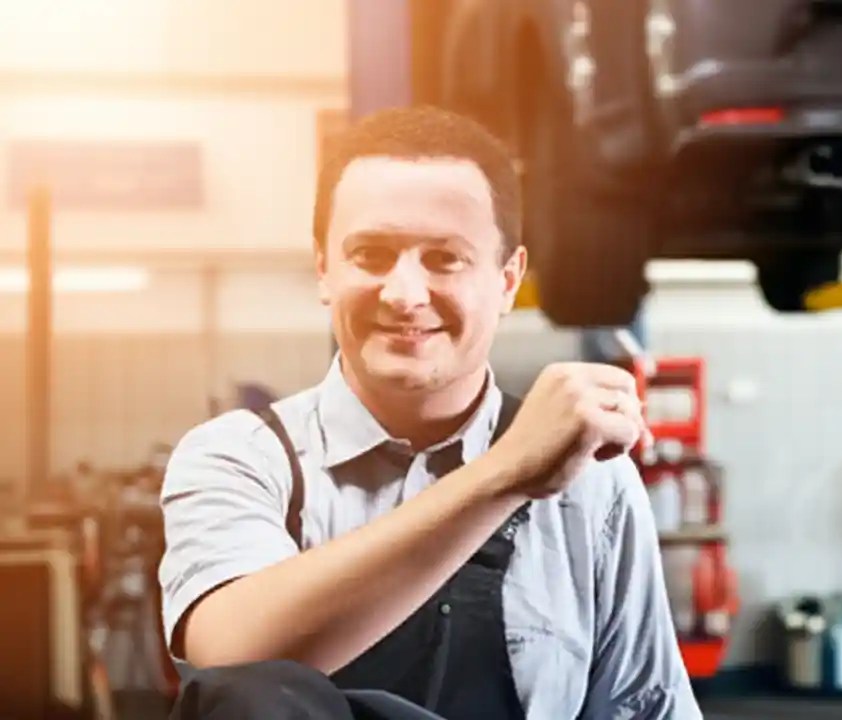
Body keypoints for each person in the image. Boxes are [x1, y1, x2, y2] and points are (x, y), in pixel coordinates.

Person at [157, 105, 702, 720]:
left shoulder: (590, 482)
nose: (405, 294)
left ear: (507, 279)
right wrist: (507, 474)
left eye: (445, 258)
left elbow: (644, 709)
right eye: (370, 254)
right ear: (323, 270)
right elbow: (233, 656)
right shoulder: (241, 458)